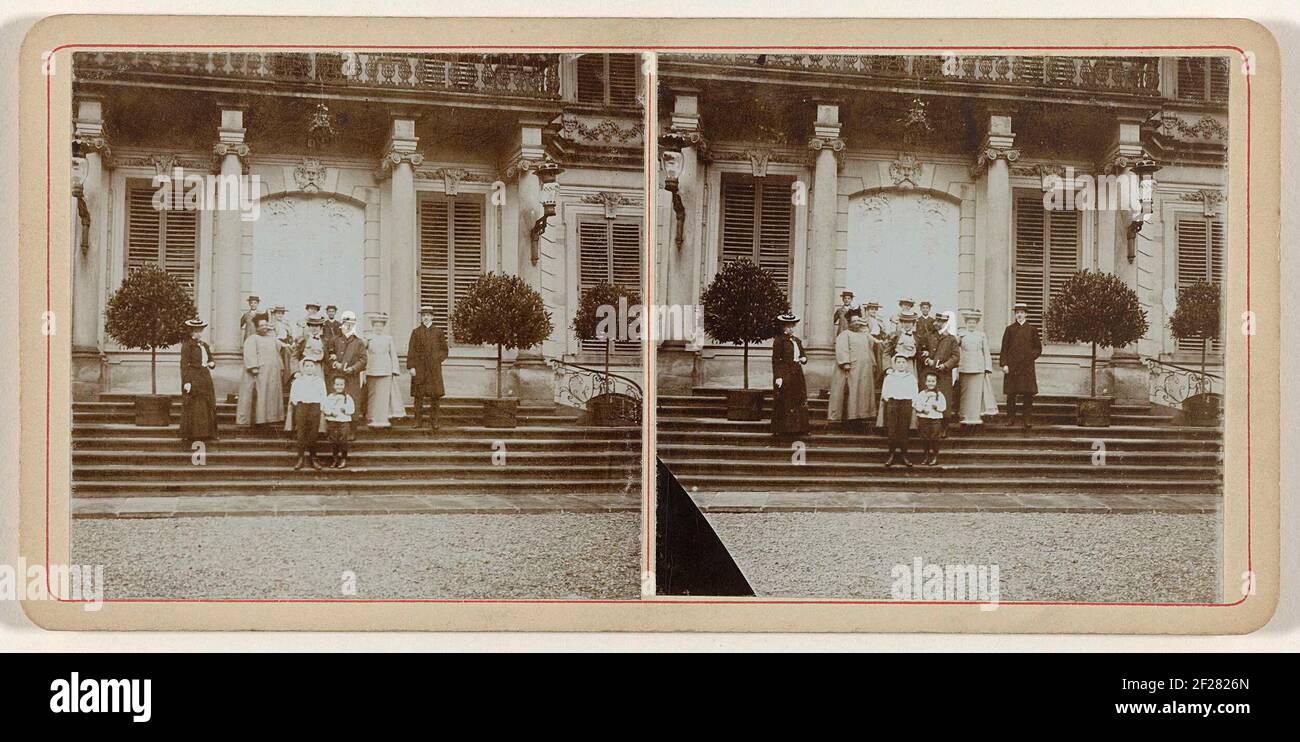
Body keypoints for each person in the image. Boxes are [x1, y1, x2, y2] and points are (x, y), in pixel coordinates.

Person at [828, 315, 878, 431]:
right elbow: (841, 349)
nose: (856, 323)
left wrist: (873, 363)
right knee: (851, 394)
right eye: (854, 321)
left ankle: (860, 419)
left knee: (862, 394)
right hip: (851, 370)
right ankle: (849, 421)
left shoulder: (865, 335)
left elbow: (871, 348)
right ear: (849, 323)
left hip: (864, 371)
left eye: (858, 321)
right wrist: (845, 362)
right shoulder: (844, 335)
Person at [236, 317, 286, 429]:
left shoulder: (272, 339)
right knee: (260, 396)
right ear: (257, 327)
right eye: (261, 325)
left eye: (265, 325)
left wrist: (281, 367)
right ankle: (258, 421)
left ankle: (269, 419)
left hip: (272, 373)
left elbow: (279, 352)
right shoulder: (252, 339)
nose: (264, 327)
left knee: (270, 396)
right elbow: (249, 354)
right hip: (259, 373)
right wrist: (254, 367)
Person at [1001, 301, 1044, 431]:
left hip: (1026, 367)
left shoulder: (1032, 330)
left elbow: (1038, 348)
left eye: (1022, 313)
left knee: (1027, 394)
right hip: (1012, 367)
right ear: (1015, 314)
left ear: (1026, 314)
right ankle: (1010, 418)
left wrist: (1031, 356)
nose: (1019, 315)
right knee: (1011, 394)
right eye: (1017, 313)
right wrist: (1004, 364)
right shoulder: (1009, 329)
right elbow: (1004, 349)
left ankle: (1027, 419)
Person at [955, 308, 998, 432]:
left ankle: (975, 419)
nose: (971, 324)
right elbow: (955, 350)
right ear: (966, 323)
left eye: (973, 323)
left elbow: (986, 352)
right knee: (965, 395)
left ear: (976, 323)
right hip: (965, 368)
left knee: (976, 395)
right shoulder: (961, 335)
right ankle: (964, 418)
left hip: (978, 368)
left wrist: (987, 367)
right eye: (969, 322)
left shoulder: (981, 335)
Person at [407, 304, 449, 431]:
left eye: (428, 315)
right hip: (419, 369)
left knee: (435, 396)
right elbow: (411, 351)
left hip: (434, 369)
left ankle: (434, 421)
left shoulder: (438, 332)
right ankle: (417, 421)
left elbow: (444, 350)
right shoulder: (416, 332)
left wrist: (437, 359)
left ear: (432, 317)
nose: (425, 318)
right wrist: (411, 367)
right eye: (423, 315)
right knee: (418, 396)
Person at [179, 318, 218, 444]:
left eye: (200, 331)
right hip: (193, 376)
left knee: (208, 402)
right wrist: (187, 381)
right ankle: (193, 433)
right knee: (195, 404)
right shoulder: (187, 346)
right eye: (196, 331)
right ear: (191, 332)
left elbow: (211, 359)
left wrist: (212, 363)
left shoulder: (204, 345)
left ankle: (208, 432)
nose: (198, 334)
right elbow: (184, 365)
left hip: (205, 376)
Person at [770, 312, 810, 439]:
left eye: (792, 326)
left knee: (799, 398)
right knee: (784, 399)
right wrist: (778, 377)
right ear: (783, 327)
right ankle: (782, 429)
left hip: (797, 372)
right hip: (785, 372)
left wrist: (804, 358)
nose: (790, 328)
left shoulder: (797, 341)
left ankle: (799, 428)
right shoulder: (779, 341)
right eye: (788, 326)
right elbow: (776, 361)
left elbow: (803, 355)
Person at [363, 312, 405, 429]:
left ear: (383, 326)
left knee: (384, 395)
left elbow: (393, 354)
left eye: (380, 325)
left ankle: (383, 418)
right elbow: (362, 353)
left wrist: (394, 369)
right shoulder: (368, 338)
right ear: (373, 326)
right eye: (376, 325)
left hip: (385, 369)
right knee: (372, 394)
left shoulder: (388, 338)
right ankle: (371, 417)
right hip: (371, 369)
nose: (378, 327)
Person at [924, 310, 961, 437]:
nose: (938, 323)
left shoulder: (951, 339)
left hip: (944, 374)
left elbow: (956, 356)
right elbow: (921, 350)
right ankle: (928, 427)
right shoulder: (929, 336)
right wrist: (926, 359)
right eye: (937, 321)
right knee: (929, 398)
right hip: (930, 373)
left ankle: (943, 428)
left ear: (946, 323)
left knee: (944, 399)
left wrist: (945, 365)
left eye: (941, 321)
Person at [328, 310, 367, 430]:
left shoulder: (359, 342)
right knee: (336, 401)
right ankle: (334, 429)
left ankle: (351, 430)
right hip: (337, 377)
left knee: (352, 401)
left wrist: (353, 368)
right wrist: (335, 363)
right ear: (342, 324)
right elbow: (329, 355)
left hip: (352, 378)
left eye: (351, 323)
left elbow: (363, 359)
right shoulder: (334, 340)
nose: (348, 325)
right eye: (345, 322)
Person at [288, 359, 327, 470]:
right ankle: (300, 458)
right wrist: (298, 404)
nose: (309, 368)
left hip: (314, 407)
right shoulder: (298, 381)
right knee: (301, 433)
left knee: (313, 434)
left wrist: (321, 407)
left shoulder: (319, 381)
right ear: (303, 368)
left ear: (314, 368)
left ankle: (313, 458)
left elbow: (323, 394)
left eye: (311, 366)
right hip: (302, 407)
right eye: (307, 366)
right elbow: (293, 395)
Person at [880, 354, 917, 468]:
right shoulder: (890, 377)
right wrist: (889, 400)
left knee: (903, 430)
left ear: (907, 364)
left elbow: (915, 391)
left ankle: (904, 455)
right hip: (893, 404)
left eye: (903, 362)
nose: (901, 365)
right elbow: (885, 391)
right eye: (899, 362)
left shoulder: (911, 377)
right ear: (895, 364)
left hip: (905, 404)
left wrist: (913, 403)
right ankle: (891, 454)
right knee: (892, 430)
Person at [913, 369, 947, 466]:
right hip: (924, 418)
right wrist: (923, 410)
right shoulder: (922, 394)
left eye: (933, 381)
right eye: (929, 381)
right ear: (925, 382)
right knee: (925, 438)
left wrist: (936, 406)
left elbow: (943, 407)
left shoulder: (939, 395)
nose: (931, 383)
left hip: (935, 419)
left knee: (935, 438)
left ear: (936, 382)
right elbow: (916, 404)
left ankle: (935, 456)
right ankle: (926, 456)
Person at [322, 375, 356, 469]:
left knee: (343, 440)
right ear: (333, 385)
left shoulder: (348, 398)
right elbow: (325, 407)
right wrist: (331, 413)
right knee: (333, 440)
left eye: (341, 384)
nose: (339, 386)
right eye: (337, 384)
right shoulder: (330, 397)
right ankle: (335, 458)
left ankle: (343, 458)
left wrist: (345, 410)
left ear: (345, 386)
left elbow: (352, 409)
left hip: (344, 422)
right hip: (333, 422)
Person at [886, 309, 923, 386]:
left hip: (910, 365)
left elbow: (919, 353)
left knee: (910, 385)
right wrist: (888, 367)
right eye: (905, 322)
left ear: (913, 323)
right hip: (896, 364)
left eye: (909, 322)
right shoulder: (894, 336)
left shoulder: (917, 337)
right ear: (901, 323)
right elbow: (886, 353)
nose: (907, 324)